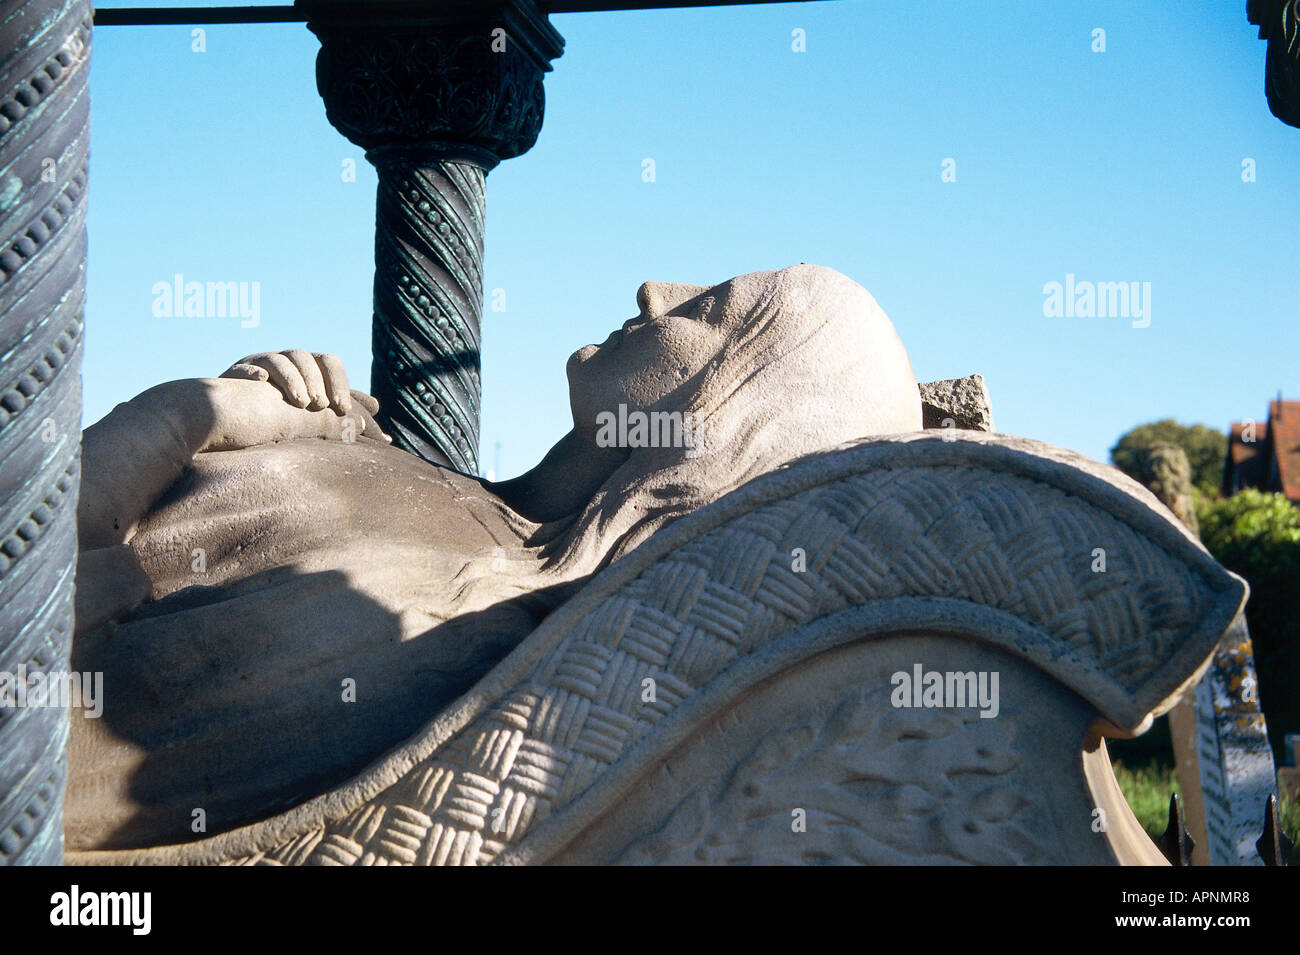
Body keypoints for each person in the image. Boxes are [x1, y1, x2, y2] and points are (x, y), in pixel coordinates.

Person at [67, 264, 923, 850]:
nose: (657, 290)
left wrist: (176, 419)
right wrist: (255, 408)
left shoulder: (435, 626)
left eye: (713, 310)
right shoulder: (437, 499)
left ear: (735, 415)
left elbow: (47, 726)